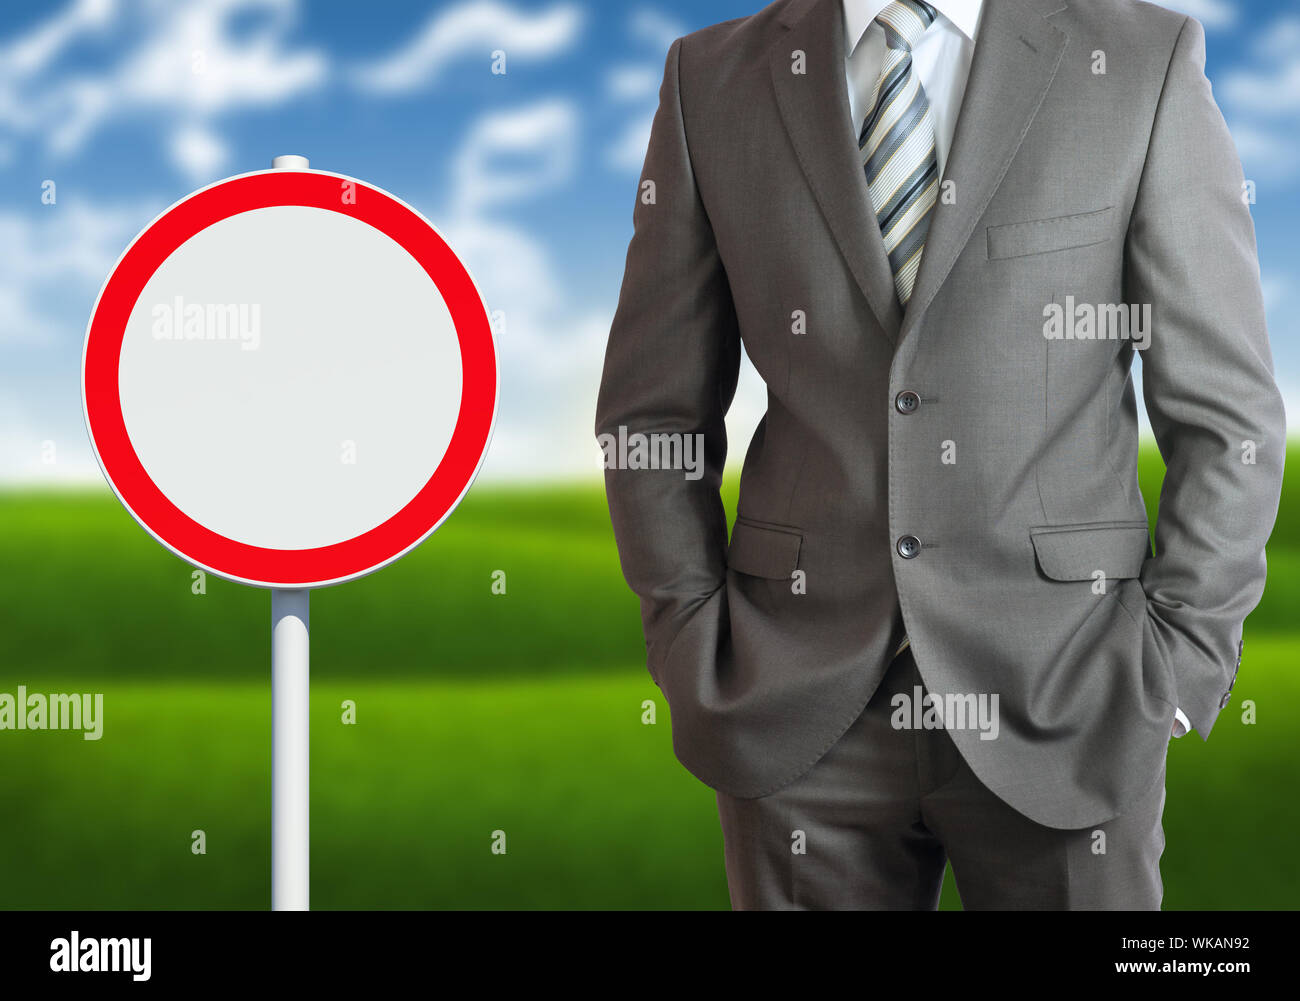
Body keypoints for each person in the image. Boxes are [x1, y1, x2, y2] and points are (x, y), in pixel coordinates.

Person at [594, 0, 1286, 909]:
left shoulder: (1143, 61)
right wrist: (687, 637)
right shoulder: (708, 79)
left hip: (1072, 697)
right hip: (795, 707)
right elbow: (653, 413)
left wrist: (1183, 663)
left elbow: (1225, 408)